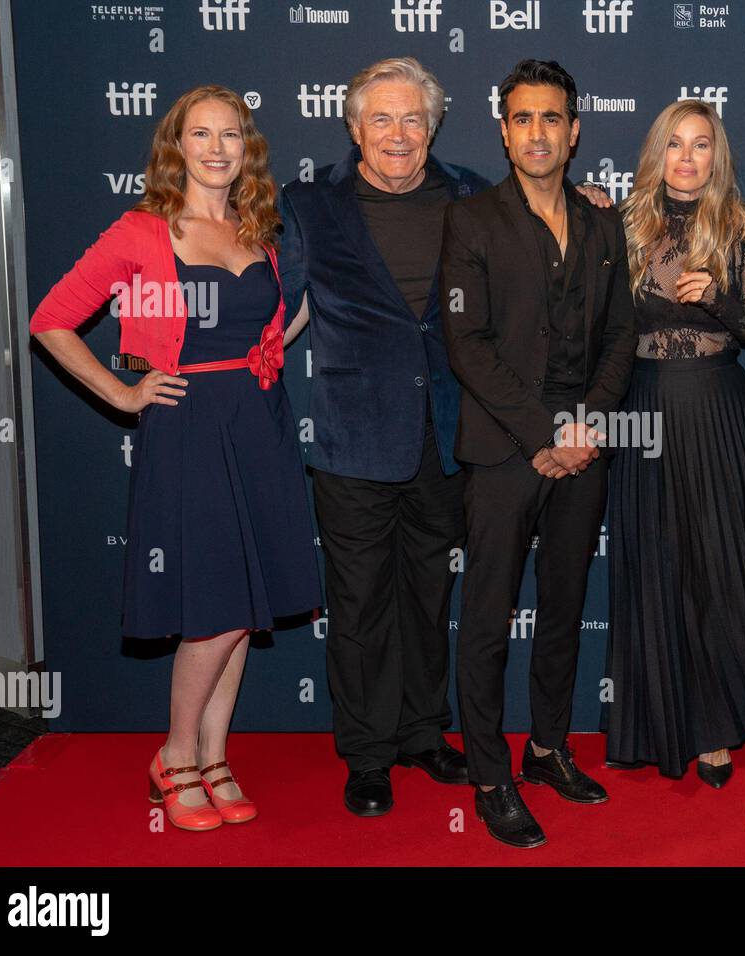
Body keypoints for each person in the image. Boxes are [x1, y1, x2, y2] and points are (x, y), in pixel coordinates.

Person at [29, 85, 322, 831]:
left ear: (247, 149)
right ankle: (175, 756)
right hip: (188, 428)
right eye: (202, 134)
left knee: (245, 604)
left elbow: (276, 325)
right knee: (216, 609)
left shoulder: (260, 229)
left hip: (259, 424)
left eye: (231, 135)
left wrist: (278, 342)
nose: (218, 148)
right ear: (176, 147)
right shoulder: (142, 231)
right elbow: (52, 321)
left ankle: (217, 759)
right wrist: (121, 393)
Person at [277, 57, 488, 818]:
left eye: (412, 120)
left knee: (429, 596)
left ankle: (424, 733)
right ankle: (367, 754)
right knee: (360, 603)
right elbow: (280, 304)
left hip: (444, 434)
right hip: (352, 440)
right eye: (381, 119)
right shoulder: (308, 203)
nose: (398, 135)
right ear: (354, 126)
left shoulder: (473, 194)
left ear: (433, 126)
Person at [440, 59, 636, 848]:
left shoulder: (602, 224)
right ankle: (491, 774)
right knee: (486, 616)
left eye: (551, 118)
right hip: (504, 448)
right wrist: (544, 433)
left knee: (563, 607)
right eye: (522, 118)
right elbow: (468, 344)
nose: (537, 133)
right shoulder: (474, 221)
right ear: (503, 129)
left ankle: (548, 747)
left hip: (584, 447)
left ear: (575, 129)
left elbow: (622, 332)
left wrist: (586, 423)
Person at [604, 100, 745, 788]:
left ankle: (720, 728)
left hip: (719, 409)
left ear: (717, 157)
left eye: (700, 146)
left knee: (723, 567)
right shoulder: (623, 225)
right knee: (661, 565)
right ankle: (670, 720)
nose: (687, 159)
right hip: (644, 411)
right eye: (674, 145)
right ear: (656, 153)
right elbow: (599, 321)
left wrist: (719, 299)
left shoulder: (742, 225)